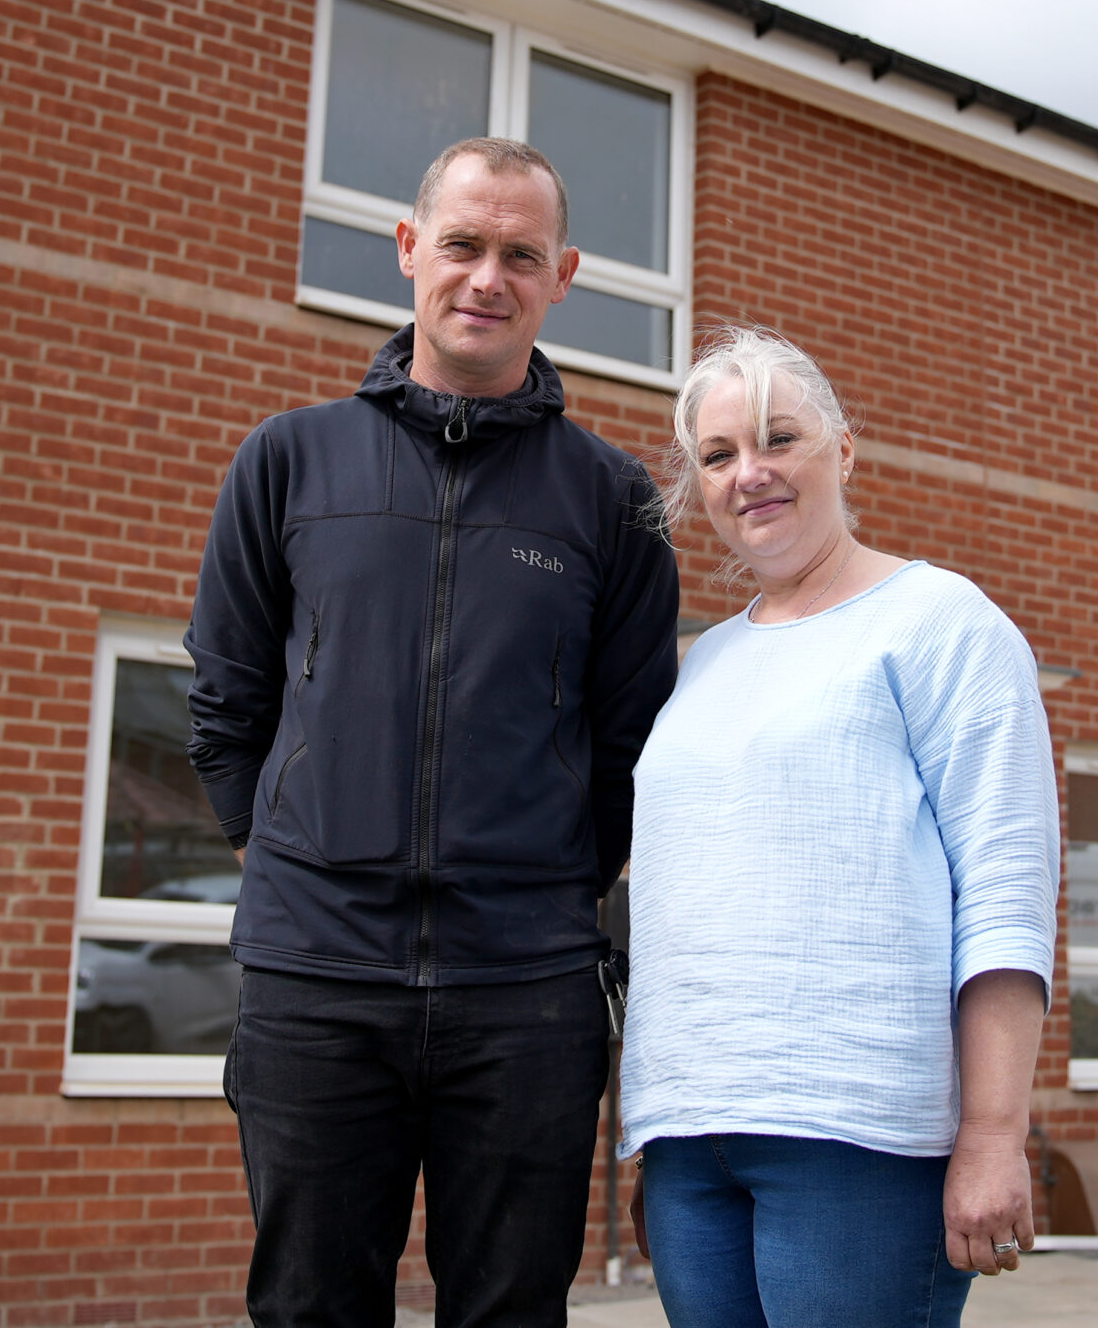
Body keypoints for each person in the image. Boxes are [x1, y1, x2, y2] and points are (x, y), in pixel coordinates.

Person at [186, 136, 680, 1328]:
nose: (485, 277)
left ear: (561, 276)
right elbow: (224, 697)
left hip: (527, 989)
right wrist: (294, 845)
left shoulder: (612, 501)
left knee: (511, 1312)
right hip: (314, 976)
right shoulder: (288, 460)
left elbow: (632, 746)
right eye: (461, 244)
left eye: (519, 254)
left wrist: (548, 881)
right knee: (308, 1306)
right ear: (410, 250)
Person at [618, 326, 1059, 1328]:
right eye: (720, 455)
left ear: (844, 451)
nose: (750, 475)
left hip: (860, 1137)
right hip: (694, 1142)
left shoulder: (942, 624)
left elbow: (1003, 894)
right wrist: (664, 1122)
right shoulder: (704, 663)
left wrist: (993, 1132)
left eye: (780, 439)